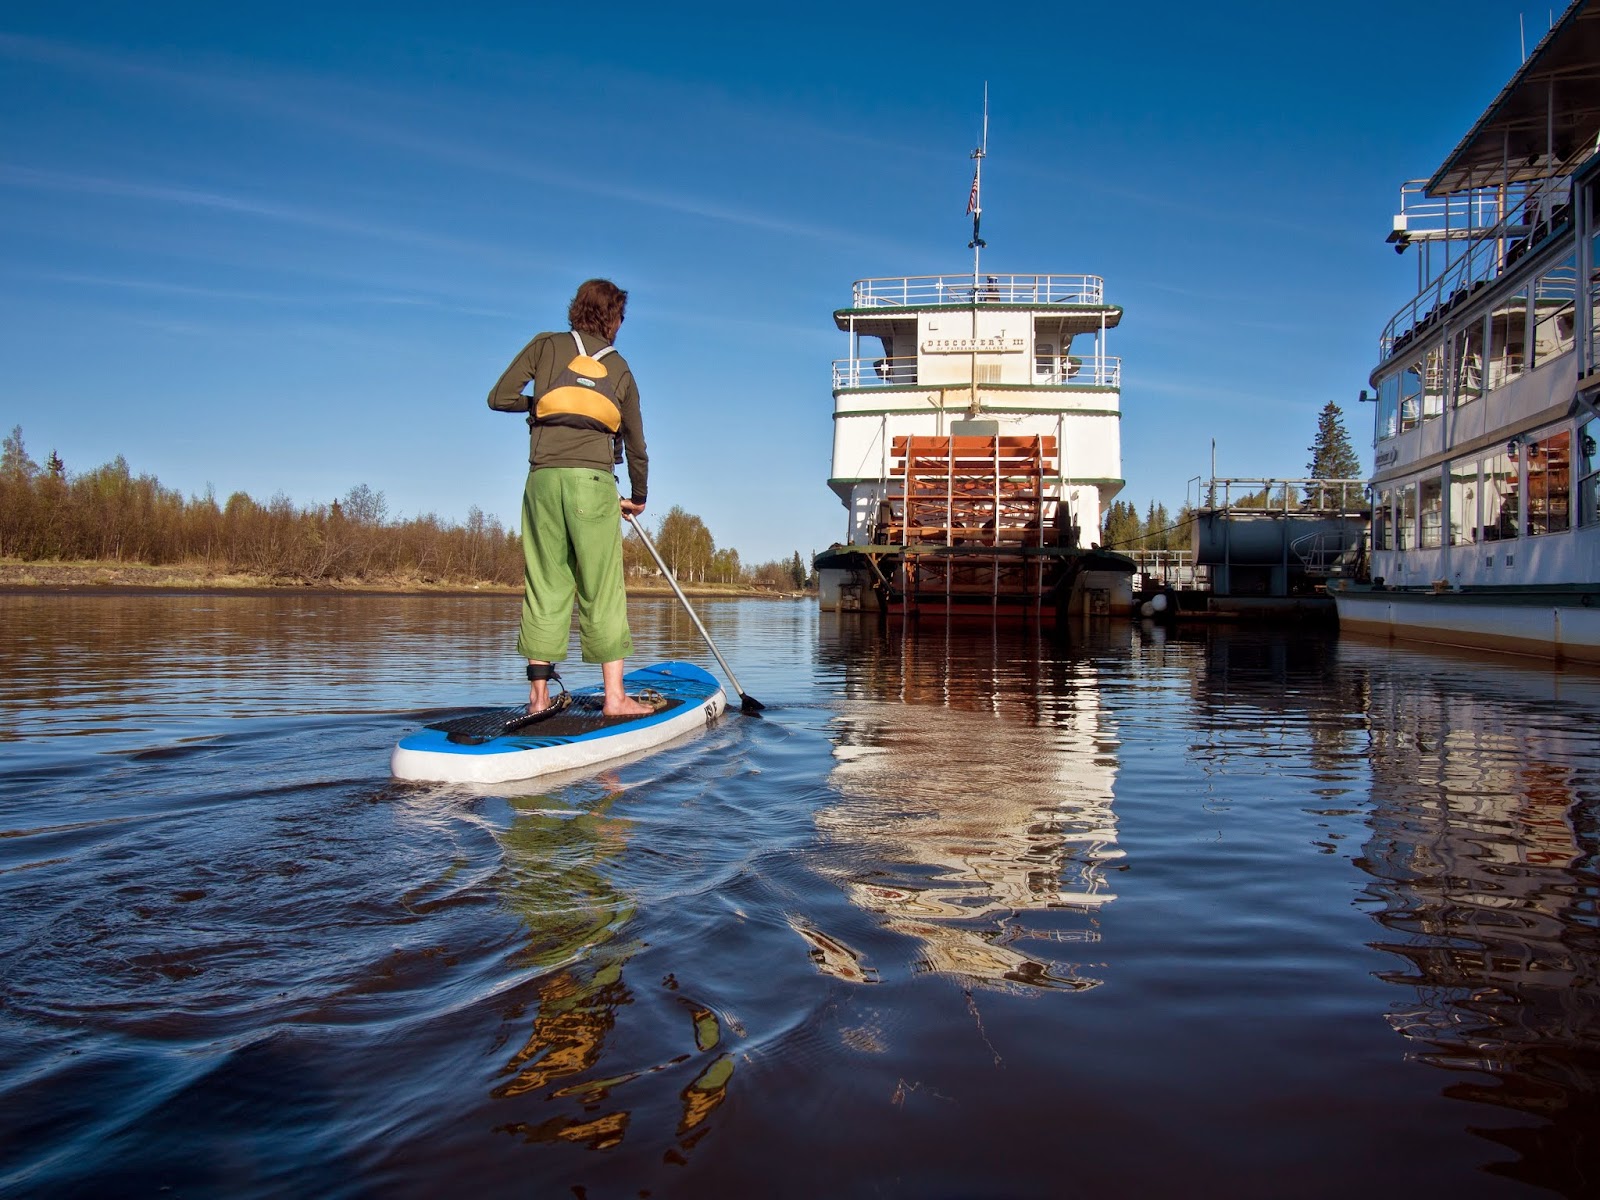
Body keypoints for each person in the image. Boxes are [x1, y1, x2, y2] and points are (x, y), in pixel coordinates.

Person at [488, 279, 654, 718]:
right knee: (602, 587)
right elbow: (636, 445)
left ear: (576, 309)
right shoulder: (619, 368)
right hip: (594, 484)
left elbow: (499, 397)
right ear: (614, 319)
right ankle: (615, 698)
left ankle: (538, 697)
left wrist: (539, 403)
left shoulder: (545, 346)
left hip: (542, 481)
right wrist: (637, 495)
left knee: (545, 585)